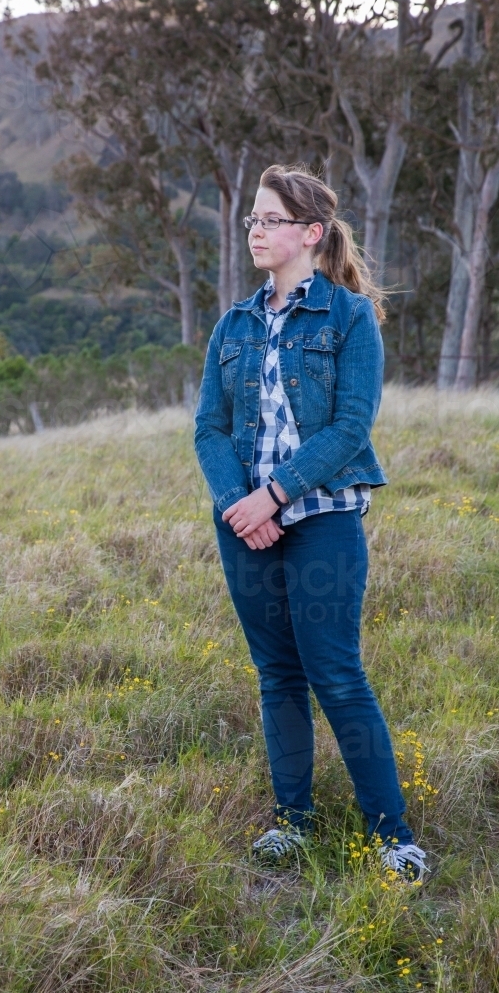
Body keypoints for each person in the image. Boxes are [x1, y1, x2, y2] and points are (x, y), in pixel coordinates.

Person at [194, 164, 428, 883]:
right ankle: (292, 823)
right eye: (251, 222)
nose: (255, 232)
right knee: (277, 676)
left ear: (309, 233)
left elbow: (351, 426)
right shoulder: (233, 323)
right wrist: (242, 503)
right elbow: (209, 427)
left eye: (268, 220)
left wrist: (275, 495)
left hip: (322, 519)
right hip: (245, 527)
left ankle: (393, 837)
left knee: (336, 673)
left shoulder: (349, 317)